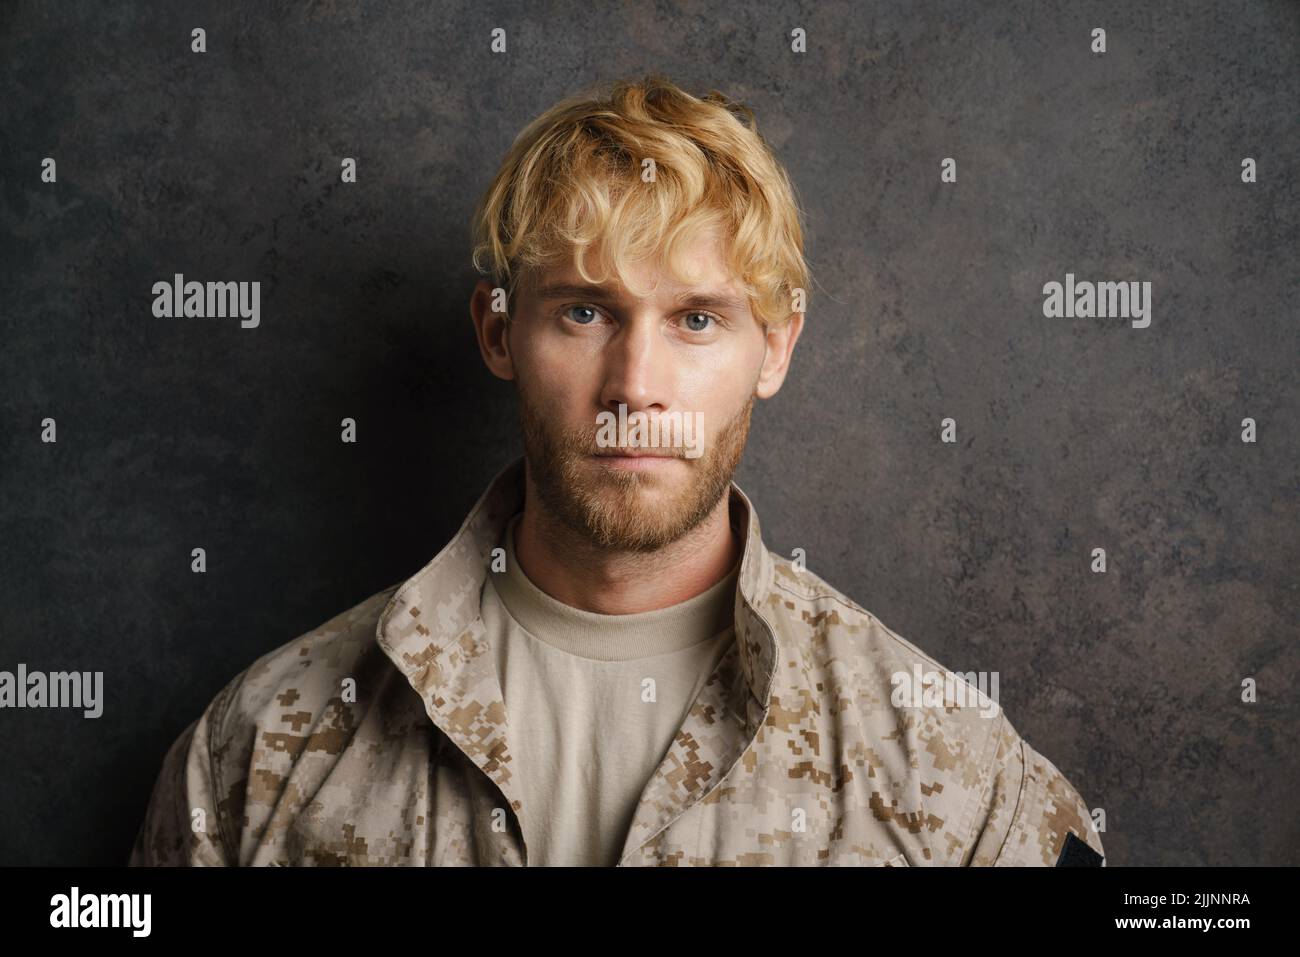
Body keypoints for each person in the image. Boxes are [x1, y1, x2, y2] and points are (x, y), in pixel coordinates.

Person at [129, 74, 1104, 867]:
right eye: (585, 311)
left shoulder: (951, 778)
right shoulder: (264, 752)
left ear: (773, 350)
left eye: (696, 319)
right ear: (500, 332)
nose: (635, 386)